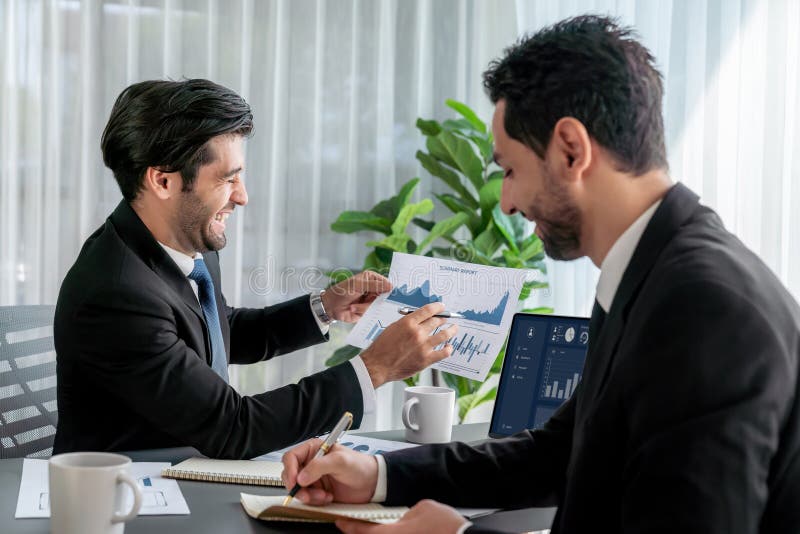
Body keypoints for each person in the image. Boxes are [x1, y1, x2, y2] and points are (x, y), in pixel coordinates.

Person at [280, 15, 800, 534]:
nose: (506, 202)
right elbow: (560, 453)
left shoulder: (704, 308)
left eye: (509, 170)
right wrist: (378, 475)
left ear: (571, 149)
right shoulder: (651, 273)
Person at [53, 79, 458, 459]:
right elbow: (232, 427)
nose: (242, 197)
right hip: (135, 498)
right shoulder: (116, 294)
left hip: (190, 471)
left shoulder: (183, 240)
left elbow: (215, 330)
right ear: (163, 181)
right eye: (228, 179)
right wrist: (375, 368)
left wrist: (325, 308)